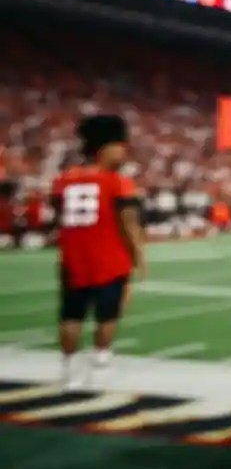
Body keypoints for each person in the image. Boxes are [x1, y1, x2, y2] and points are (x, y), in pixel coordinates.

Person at [49, 115, 148, 389]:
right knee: (107, 314)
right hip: (108, 257)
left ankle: (69, 369)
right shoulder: (118, 182)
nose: (124, 151)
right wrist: (139, 255)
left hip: (73, 257)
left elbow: (58, 214)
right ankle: (101, 364)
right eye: (120, 145)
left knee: (71, 314)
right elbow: (128, 223)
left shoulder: (64, 180)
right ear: (104, 148)